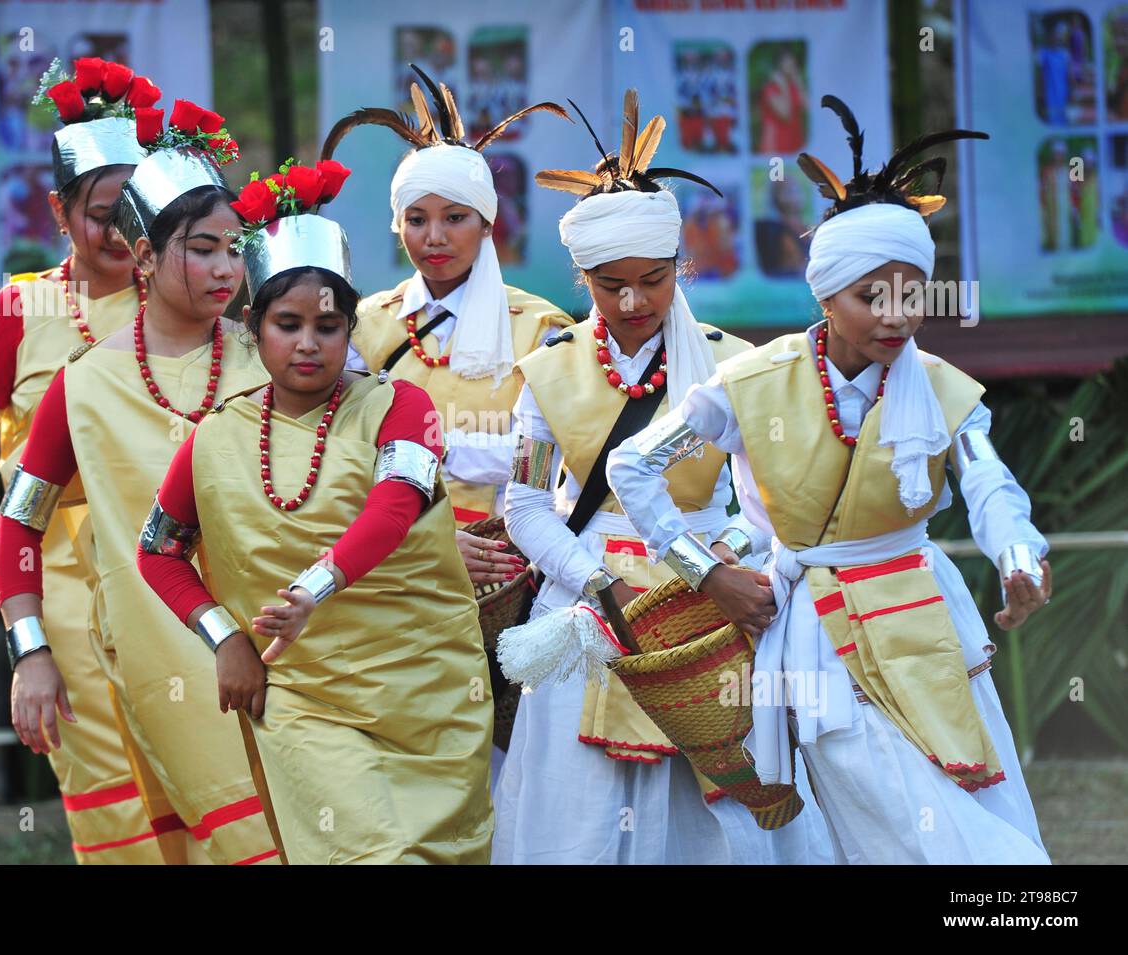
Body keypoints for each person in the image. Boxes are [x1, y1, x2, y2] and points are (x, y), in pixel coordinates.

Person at [607, 96, 1051, 864]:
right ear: (825, 295)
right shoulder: (749, 383)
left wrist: (1016, 557)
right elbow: (631, 463)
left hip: (924, 621)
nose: (896, 315)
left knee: (973, 802)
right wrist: (706, 572)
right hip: (813, 630)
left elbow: (990, 484)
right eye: (870, 296)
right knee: (888, 817)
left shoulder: (942, 389)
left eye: (911, 292)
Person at [493, 92, 833, 865]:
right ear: (580, 277)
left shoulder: (733, 364)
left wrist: (726, 561)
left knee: (719, 800)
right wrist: (599, 586)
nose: (634, 301)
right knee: (579, 811)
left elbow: (770, 496)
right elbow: (523, 503)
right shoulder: (545, 376)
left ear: (680, 265)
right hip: (589, 604)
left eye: (652, 278)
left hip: (713, 599)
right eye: (611, 284)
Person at [136, 164, 494, 863]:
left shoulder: (400, 406)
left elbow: (397, 508)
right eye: (288, 324)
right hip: (299, 692)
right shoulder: (216, 436)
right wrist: (226, 639)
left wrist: (312, 590)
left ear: (350, 328)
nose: (308, 343)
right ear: (253, 327)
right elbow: (158, 549)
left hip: (427, 688)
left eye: (328, 326)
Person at [0, 105, 278, 865]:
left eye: (234, 249)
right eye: (203, 248)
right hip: (163, 663)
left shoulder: (270, 358)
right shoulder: (83, 386)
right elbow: (18, 525)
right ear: (144, 256)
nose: (225, 268)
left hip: (287, 651)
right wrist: (30, 651)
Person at [0, 57, 163, 863]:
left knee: (203, 778)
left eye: (137, 207)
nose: (123, 230)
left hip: (173, 567)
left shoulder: (186, 300)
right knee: (108, 796)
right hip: (52, 580)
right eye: (100, 212)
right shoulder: (14, 310)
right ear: (59, 211)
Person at [322, 64, 573, 575]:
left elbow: (550, 461)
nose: (434, 237)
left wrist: (432, 445)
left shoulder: (541, 329)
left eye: (454, 218)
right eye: (417, 220)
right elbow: (340, 449)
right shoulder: (365, 325)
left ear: (486, 224)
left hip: (508, 557)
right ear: (398, 225)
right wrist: (428, 537)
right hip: (392, 552)